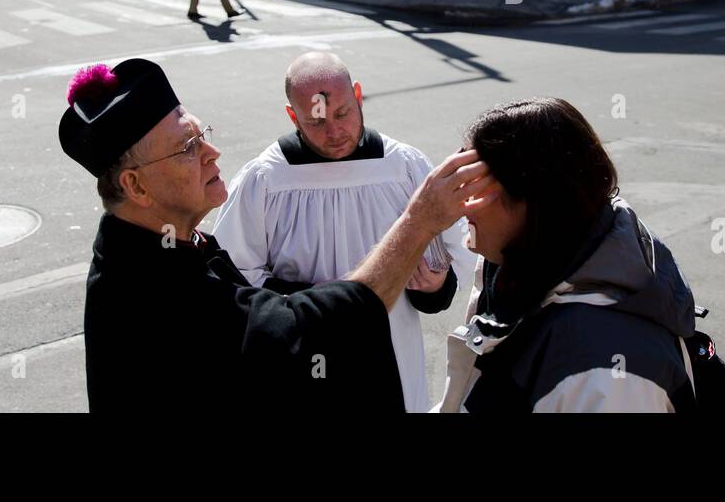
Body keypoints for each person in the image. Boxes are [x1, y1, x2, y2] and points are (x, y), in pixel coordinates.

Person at [59, 57, 498, 414]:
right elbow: (295, 330)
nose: (213, 153)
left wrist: (433, 282)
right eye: (188, 147)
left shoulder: (178, 245)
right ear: (136, 187)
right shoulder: (152, 286)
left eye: (202, 135)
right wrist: (417, 223)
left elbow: (450, 265)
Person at [213, 52, 473, 412]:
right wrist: (322, 305)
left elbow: (451, 258)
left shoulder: (404, 168)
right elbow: (234, 280)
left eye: (342, 113)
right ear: (293, 116)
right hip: (303, 359)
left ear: (358, 95)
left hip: (391, 355)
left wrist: (435, 287)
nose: (334, 133)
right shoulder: (266, 180)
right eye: (315, 122)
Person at [435, 98, 709, 413]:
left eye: (475, 181)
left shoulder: (601, 369)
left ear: (531, 198)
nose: (460, 198)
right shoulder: (520, 273)